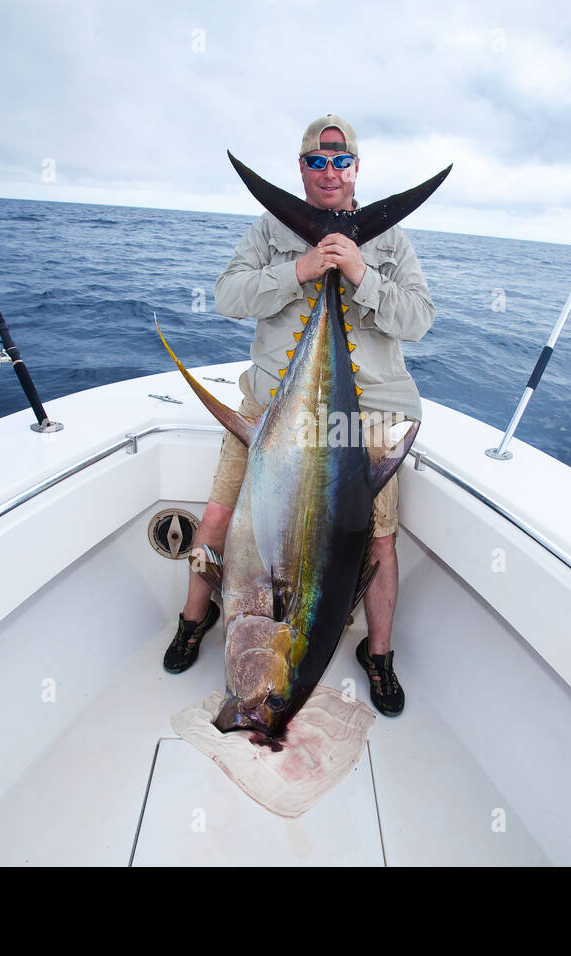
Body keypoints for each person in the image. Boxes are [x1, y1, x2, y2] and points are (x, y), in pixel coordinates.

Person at [163, 114, 435, 717]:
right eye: (318, 161)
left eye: (341, 162)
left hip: (358, 420)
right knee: (215, 516)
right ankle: (194, 617)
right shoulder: (268, 230)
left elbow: (418, 320)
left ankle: (379, 654)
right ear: (302, 170)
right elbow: (227, 297)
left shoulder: (390, 244)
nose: (331, 172)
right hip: (272, 408)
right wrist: (299, 270)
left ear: (356, 168)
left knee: (378, 542)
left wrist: (360, 274)